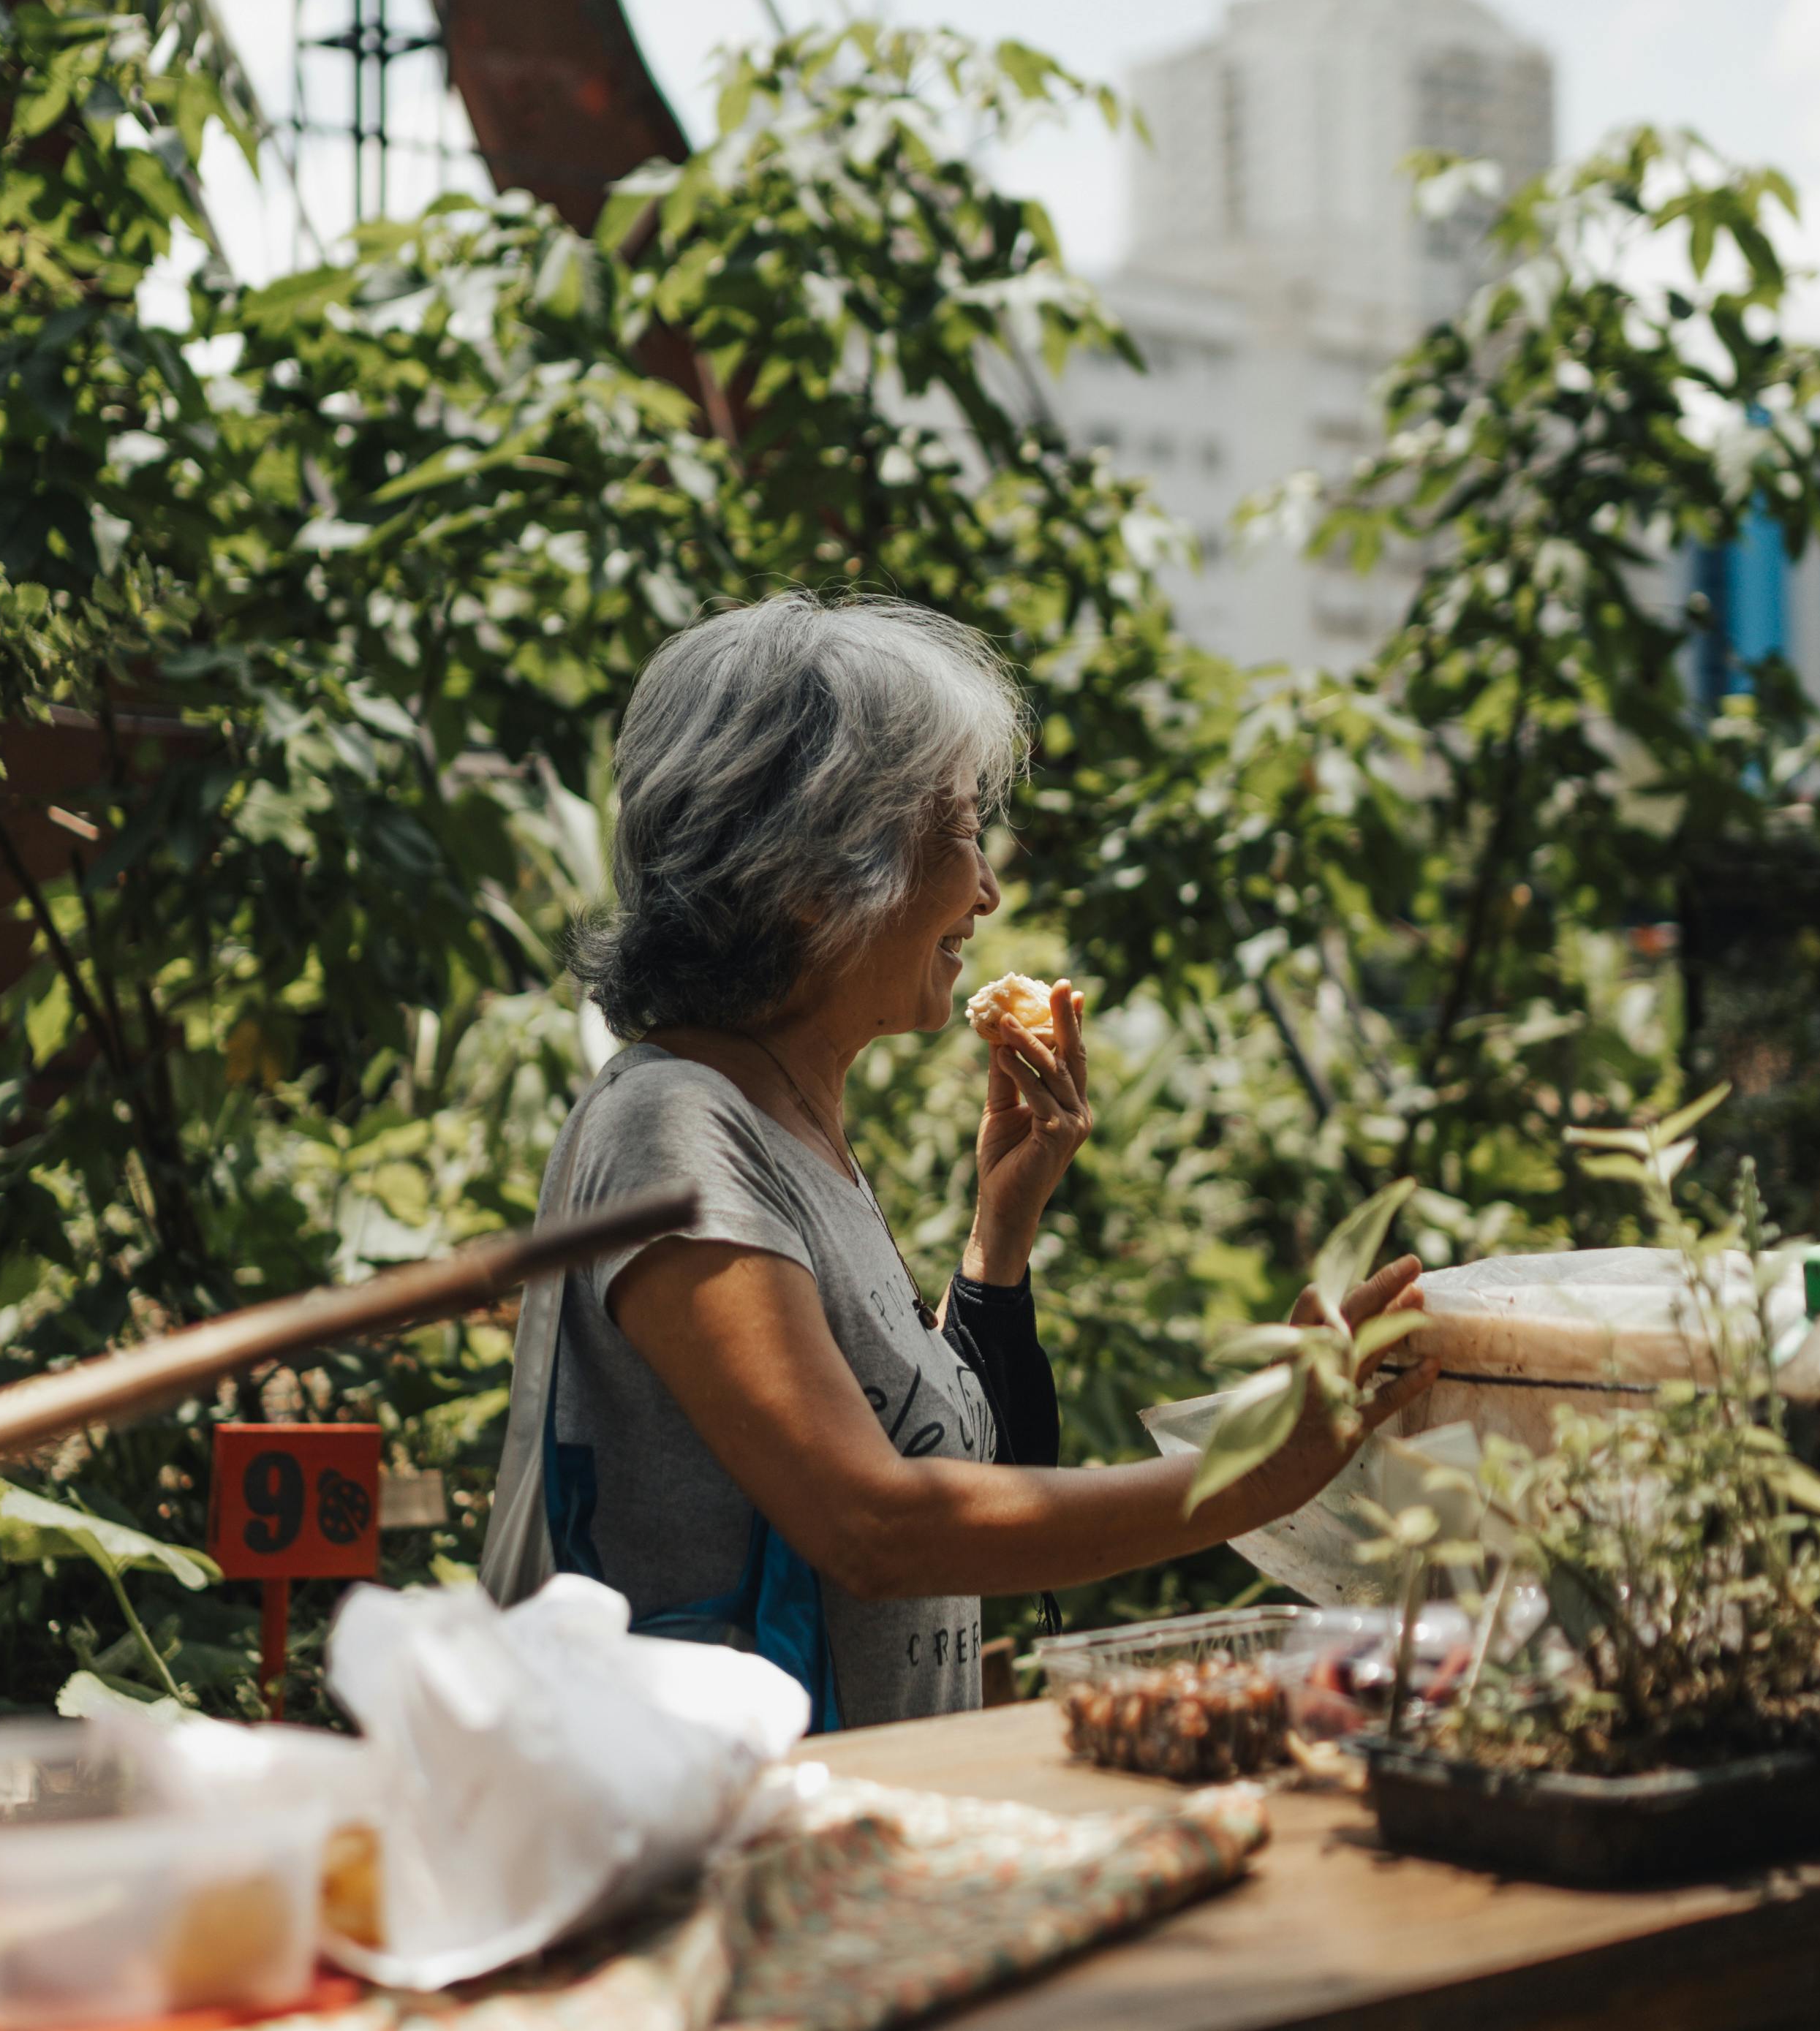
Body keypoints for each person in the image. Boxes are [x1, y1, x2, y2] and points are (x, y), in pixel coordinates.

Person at [481, 594, 1432, 1731]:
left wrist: (999, 1237)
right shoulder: (673, 1129)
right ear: (818, 868)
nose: (986, 888)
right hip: (714, 1854)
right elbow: (873, 1526)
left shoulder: (792, 1126)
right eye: (963, 829)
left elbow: (944, 1466)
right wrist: (1258, 1472)